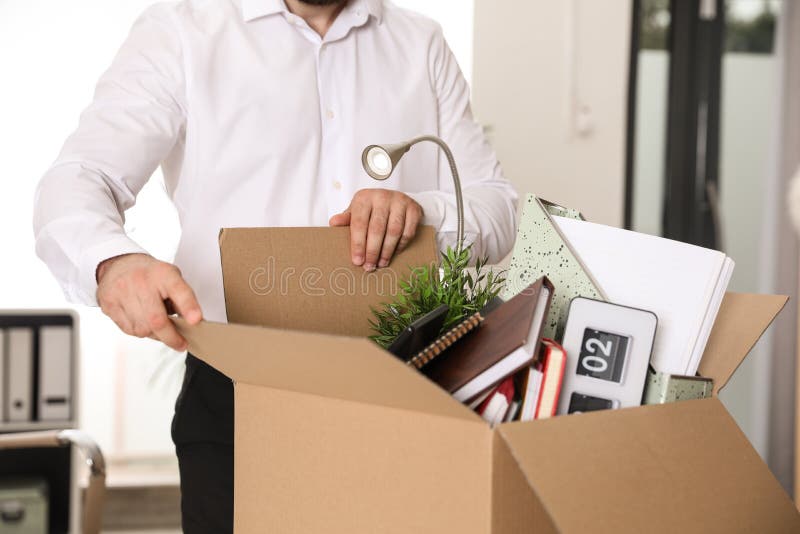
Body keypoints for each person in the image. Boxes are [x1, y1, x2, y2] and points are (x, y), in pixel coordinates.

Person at [33, 0, 518, 531]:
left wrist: (427, 212)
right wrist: (113, 262)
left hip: (404, 388)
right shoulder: (181, 31)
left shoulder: (420, 42)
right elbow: (78, 177)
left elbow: (496, 203)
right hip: (237, 394)